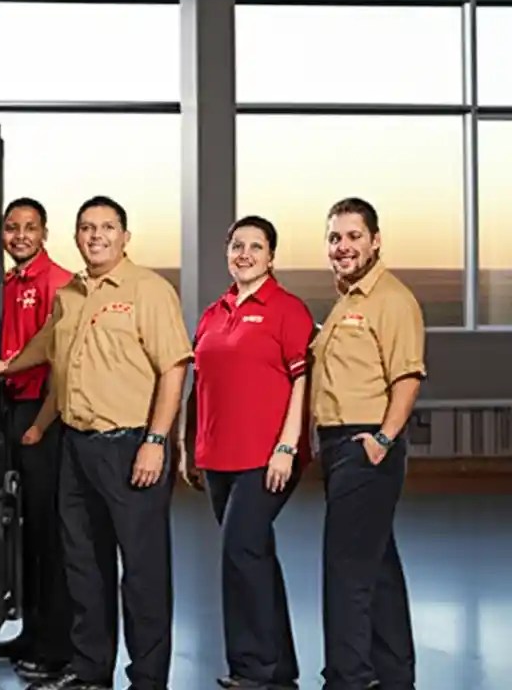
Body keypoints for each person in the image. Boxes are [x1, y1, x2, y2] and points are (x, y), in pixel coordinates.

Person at [0, 195, 193, 690]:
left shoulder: (148, 290)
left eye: (107, 227)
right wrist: (10, 365)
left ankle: (149, 679)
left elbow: (175, 367)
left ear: (125, 237)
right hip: (76, 446)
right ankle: (90, 670)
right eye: (88, 228)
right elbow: (49, 345)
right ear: (75, 236)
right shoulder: (71, 294)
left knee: (141, 572)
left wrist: (156, 440)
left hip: (130, 445)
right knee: (83, 565)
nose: (97, 236)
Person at [178, 215, 313, 690]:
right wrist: (187, 445)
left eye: (256, 246)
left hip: (267, 457)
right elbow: (201, 385)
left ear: (271, 256)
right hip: (217, 457)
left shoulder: (287, 309)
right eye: (238, 245)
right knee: (253, 555)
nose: (246, 254)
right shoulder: (213, 313)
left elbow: (303, 380)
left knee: (241, 550)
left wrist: (287, 446)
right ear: (227, 251)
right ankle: (279, 669)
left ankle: (253, 670)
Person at [310, 198, 424, 690]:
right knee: (376, 566)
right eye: (335, 238)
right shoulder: (348, 300)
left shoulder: (390, 299)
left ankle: (348, 678)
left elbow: (407, 377)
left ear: (375, 240)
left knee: (346, 571)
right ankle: (394, 675)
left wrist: (381, 439)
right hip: (340, 444)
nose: (343, 247)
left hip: (364, 445)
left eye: (353, 236)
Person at [0, 197, 74, 681]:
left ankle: (56, 643)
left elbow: (59, 362)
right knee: (23, 530)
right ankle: (32, 630)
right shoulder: (7, 282)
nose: (20, 236)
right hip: (11, 410)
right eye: (12, 228)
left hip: (42, 411)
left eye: (30, 227)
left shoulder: (55, 283)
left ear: (44, 232)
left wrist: (39, 423)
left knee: (49, 530)